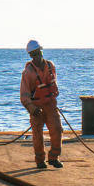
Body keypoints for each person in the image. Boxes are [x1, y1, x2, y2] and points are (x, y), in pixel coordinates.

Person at [19, 39, 62, 169]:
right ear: (31, 56)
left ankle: (54, 158)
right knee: (37, 135)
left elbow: (54, 83)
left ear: (41, 51)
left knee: (57, 130)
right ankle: (40, 160)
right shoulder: (28, 73)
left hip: (50, 105)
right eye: (34, 54)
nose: (37, 56)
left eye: (38, 53)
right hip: (36, 108)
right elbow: (24, 95)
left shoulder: (50, 66)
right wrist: (32, 108)